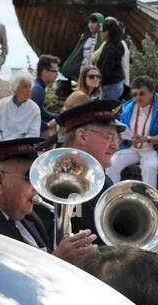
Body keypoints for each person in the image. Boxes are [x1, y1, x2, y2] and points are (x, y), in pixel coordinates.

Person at [0, 136, 98, 267]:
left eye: (38, 177)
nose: (37, 187)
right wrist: (58, 261)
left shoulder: (23, 213)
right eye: (29, 178)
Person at [53, 100, 127, 241]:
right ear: (82, 136)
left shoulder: (103, 180)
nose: (115, 147)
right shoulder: (50, 180)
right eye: (109, 137)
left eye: (116, 140)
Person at [108, 77, 158, 190]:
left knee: (149, 167)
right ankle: (110, 198)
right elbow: (122, 129)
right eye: (135, 94)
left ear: (152, 93)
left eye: (142, 94)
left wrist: (147, 139)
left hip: (153, 150)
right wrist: (119, 135)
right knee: (112, 163)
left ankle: (150, 202)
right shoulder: (128, 107)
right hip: (132, 148)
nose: (138, 98)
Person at [0, 72, 41, 142]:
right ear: (15, 89)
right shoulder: (3, 104)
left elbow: (34, 134)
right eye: (25, 87)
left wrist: (20, 144)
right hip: (1, 144)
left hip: (23, 146)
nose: (29, 90)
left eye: (30, 86)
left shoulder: (34, 109)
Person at [93, 18, 125, 100]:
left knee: (106, 111)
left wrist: (96, 85)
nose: (100, 33)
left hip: (110, 86)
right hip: (117, 83)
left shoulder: (109, 49)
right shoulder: (117, 44)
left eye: (101, 31)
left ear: (107, 32)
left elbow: (106, 70)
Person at [31, 55, 61, 127]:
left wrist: (59, 117)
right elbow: (30, 118)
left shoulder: (38, 85)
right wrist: (47, 125)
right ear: (44, 72)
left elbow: (40, 112)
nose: (57, 74)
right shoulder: (37, 90)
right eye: (55, 71)